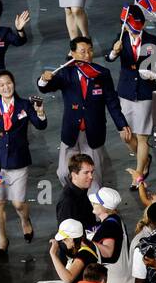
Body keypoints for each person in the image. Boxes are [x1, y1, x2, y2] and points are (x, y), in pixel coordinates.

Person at [37, 35, 132, 185]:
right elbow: (46, 87)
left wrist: (121, 125)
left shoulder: (101, 74)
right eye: (82, 52)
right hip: (71, 132)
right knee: (63, 173)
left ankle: (95, 206)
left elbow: (112, 102)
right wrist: (43, 79)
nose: (87, 55)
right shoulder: (65, 72)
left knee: (93, 177)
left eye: (90, 51)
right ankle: (75, 200)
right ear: (72, 53)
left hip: (93, 132)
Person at [0, 71, 48, 251]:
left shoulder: (24, 104)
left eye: (8, 83)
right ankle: (3, 239)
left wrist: (40, 112)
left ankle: (25, 220)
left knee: (18, 203)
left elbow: (40, 125)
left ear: (14, 83)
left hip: (19, 160)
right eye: (1, 85)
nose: (6, 87)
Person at [107, 4, 156, 180]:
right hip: (125, 91)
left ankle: (139, 172)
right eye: (130, 27)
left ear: (144, 24)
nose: (133, 31)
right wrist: (114, 52)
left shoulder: (152, 41)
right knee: (125, 135)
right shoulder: (121, 38)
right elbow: (109, 58)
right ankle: (145, 159)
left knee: (142, 136)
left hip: (145, 91)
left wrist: (151, 74)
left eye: (136, 27)